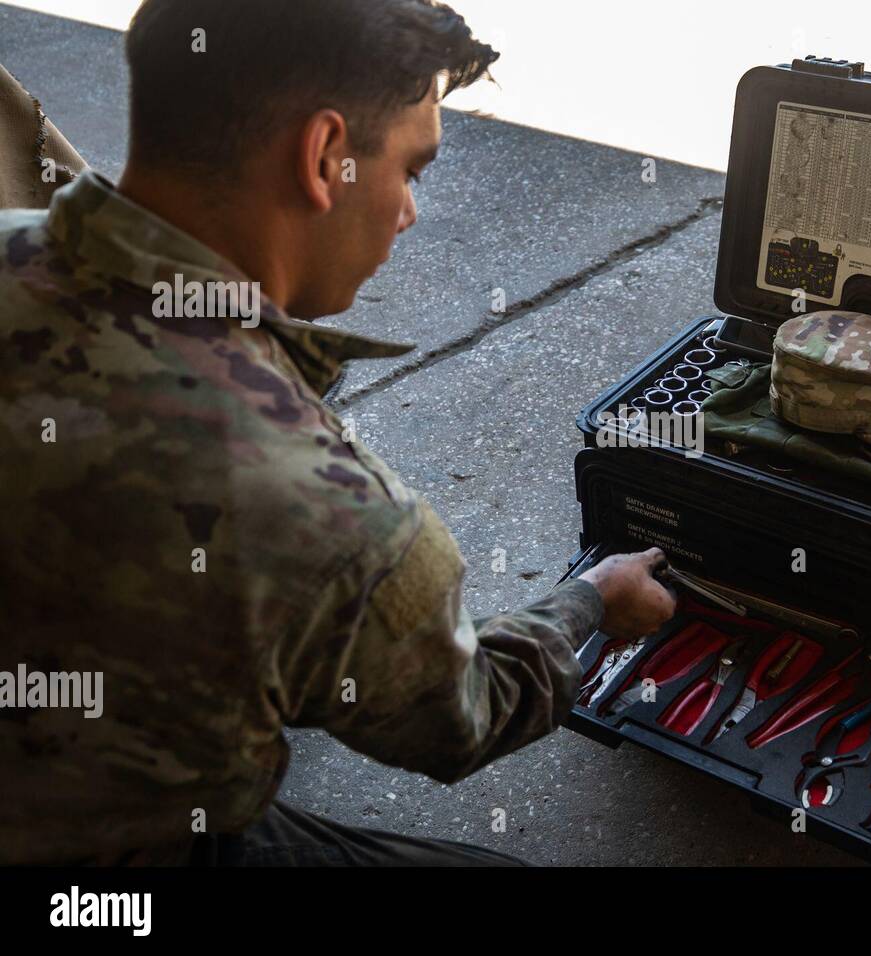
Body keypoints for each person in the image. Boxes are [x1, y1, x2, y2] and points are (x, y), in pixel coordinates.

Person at [0, 0, 676, 866]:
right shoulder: (324, 510)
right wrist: (593, 601)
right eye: (413, 171)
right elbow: (462, 715)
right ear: (325, 159)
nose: (410, 213)